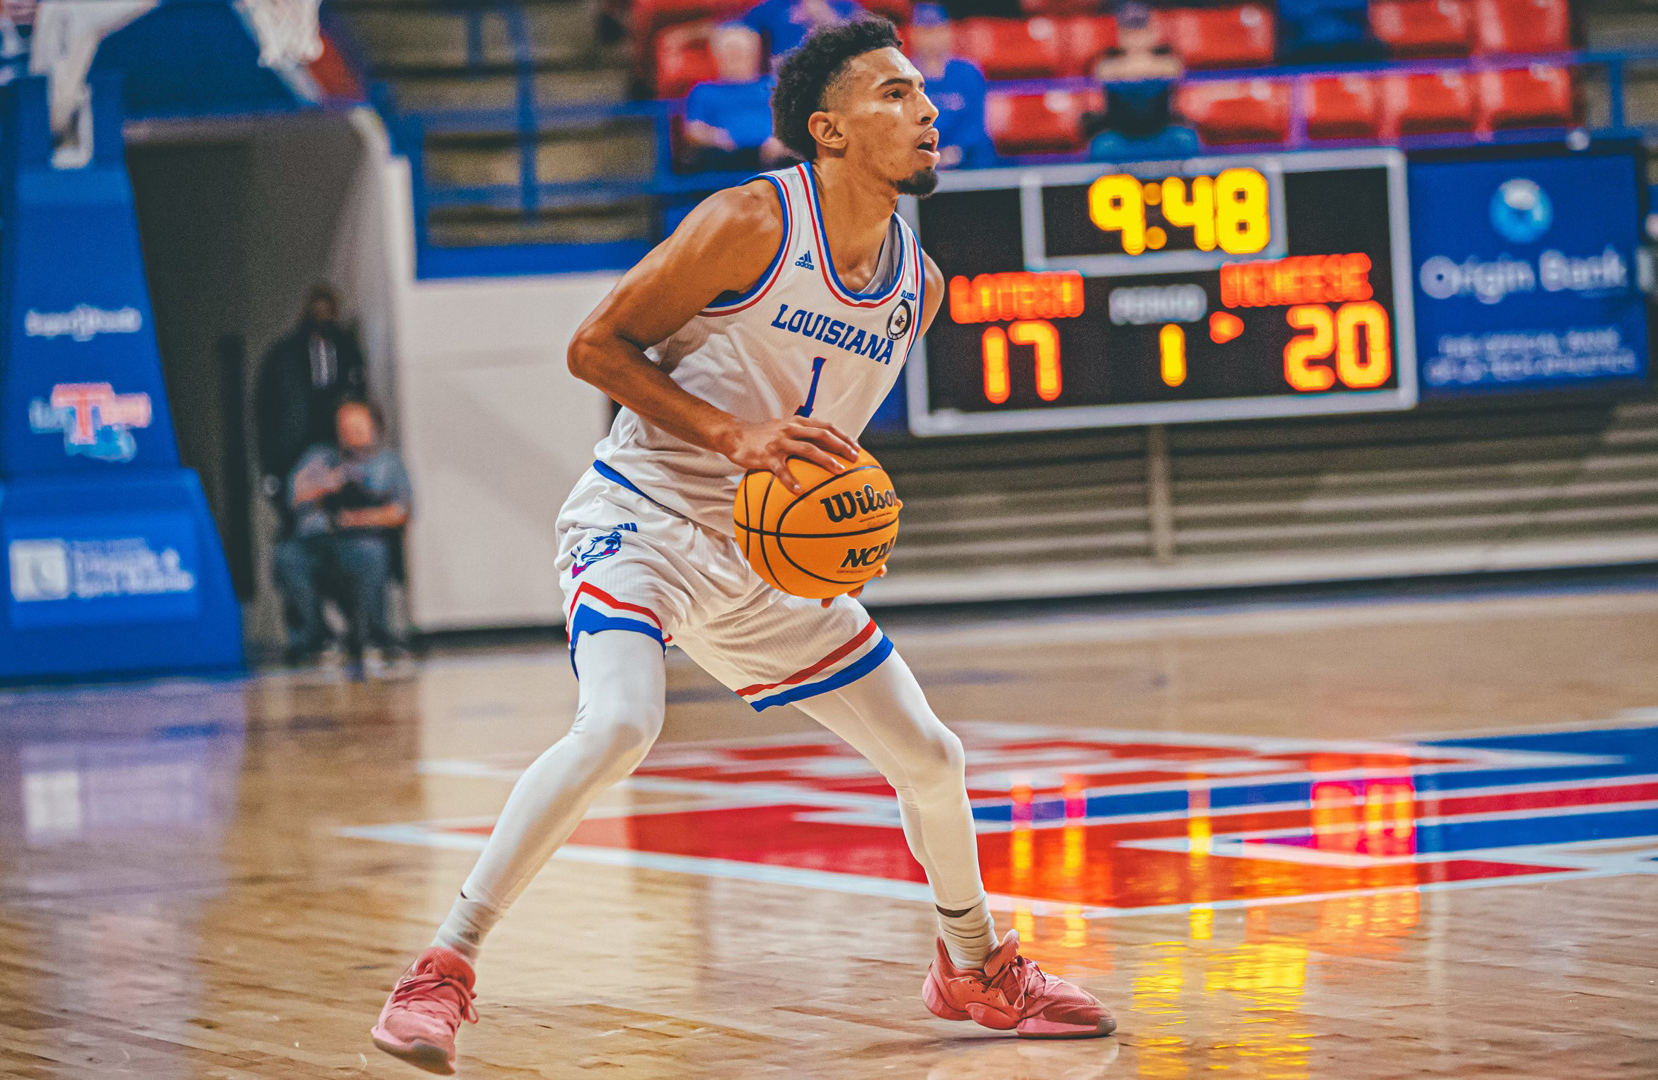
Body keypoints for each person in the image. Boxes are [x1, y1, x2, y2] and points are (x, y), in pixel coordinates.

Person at [369, 17, 1115, 1074]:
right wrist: (731, 436)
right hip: (648, 519)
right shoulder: (748, 222)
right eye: (896, 94)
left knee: (932, 758)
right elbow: (594, 346)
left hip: (766, 566)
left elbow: (828, 454)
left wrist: (843, 538)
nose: (930, 108)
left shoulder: (920, 285)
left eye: (923, 91)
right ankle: (441, 970)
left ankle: (975, 968)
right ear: (831, 130)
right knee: (621, 723)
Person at [273, 399, 410, 664]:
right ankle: (313, 639)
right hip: (315, 540)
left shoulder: (387, 464)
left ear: (374, 426)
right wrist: (328, 484)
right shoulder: (319, 458)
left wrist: (355, 518)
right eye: (346, 425)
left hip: (362, 540)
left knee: (371, 553)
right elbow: (293, 499)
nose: (353, 431)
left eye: (359, 424)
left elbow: (401, 511)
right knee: (288, 557)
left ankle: (372, 635)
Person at [256, 285, 369, 519]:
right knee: (304, 511)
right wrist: (273, 464)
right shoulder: (285, 354)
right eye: (317, 312)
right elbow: (266, 410)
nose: (323, 318)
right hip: (297, 446)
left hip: (338, 445)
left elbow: (358, 395)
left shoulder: (346, 350)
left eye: (328, 312)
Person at [1088, 2, 1199, 161]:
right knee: (1102, 145)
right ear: (1120, 35)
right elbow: (1102, 71)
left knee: (1185, 139)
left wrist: (1129, 68)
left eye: (1141, 31)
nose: (1136, 38)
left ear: (1152, 33)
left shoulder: (1168, 57)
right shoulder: (1107, 59)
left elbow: (1174, 68)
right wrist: (1146, 67)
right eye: (1129, 33)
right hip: (1121, 138)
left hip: (1163, 135)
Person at [681, 22, 792, 171]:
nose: (736, 59)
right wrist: (715, 137)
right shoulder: (704, 91)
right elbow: (693, 130)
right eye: (730, 54)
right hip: (724, 158)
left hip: (772, 159)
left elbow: (791, 124)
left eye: (741, 53)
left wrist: (781, 140)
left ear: (755, 55)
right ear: (717, 57)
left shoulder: (775, 86)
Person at [906, 2, 994, 169]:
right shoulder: (903, 77)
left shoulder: (968, 73)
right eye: (926, 31)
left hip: (968, 166)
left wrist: (956, 151)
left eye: (938, 30)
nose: (932, 38)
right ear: (913, 34)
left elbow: (976, 125)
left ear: (948, 31)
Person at [741, 0, 864, 61]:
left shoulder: (844, 5)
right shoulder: (775, 6)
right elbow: (739, 29)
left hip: (832, 68)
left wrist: (825, 17)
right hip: (784, 73)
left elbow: (860, 41)